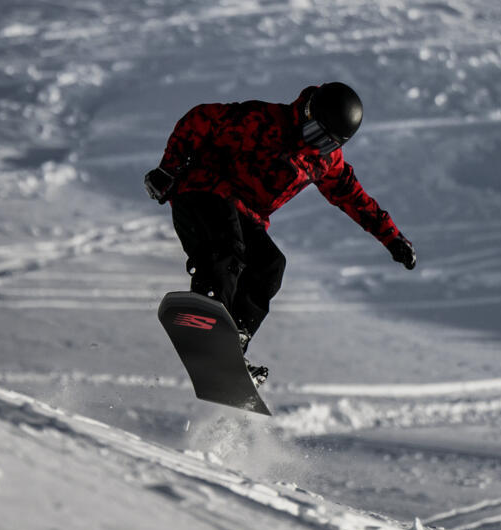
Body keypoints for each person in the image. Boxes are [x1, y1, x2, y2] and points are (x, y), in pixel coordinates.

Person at [144, 82, 416, 386]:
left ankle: (231, 340)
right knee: (228, 248)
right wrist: (168, 169)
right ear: (306, 112)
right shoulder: (263, 120)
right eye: (313, 133)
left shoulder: (324, 160)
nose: (313, 144)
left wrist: (391, 238)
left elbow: (352, 197)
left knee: (270, 265)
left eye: (326, 143)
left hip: (246, 214)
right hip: (203, 192)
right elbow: (200, 119)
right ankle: (206, 315)